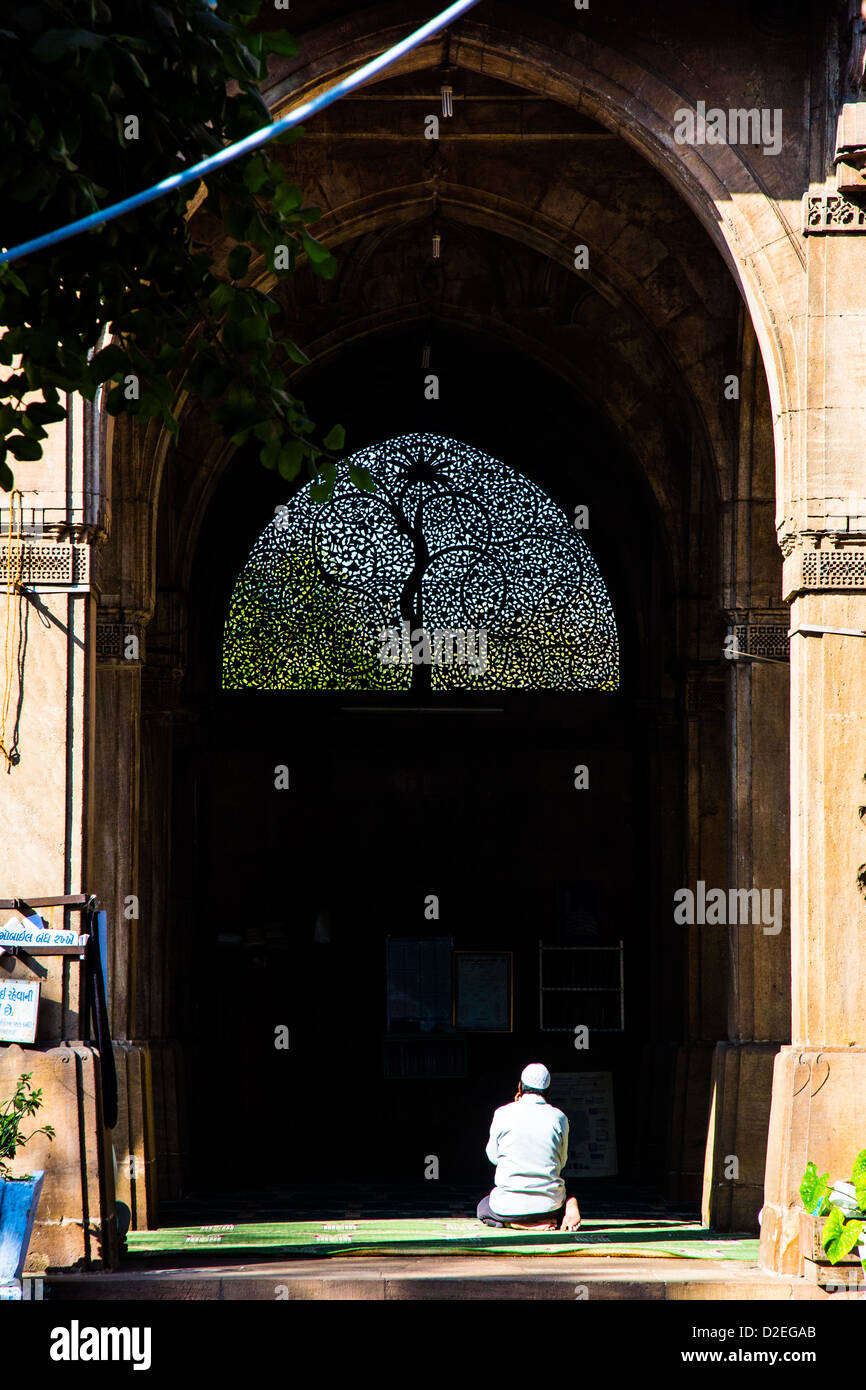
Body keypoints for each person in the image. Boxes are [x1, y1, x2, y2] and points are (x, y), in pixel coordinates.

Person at [477, 1063, 582, 1232]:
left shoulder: (502, 1113)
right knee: (561, 1198)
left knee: (483, 1208)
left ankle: (516, 1222)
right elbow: (561, 1163)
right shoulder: (559, 1117)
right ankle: (568, 1205)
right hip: (549, 1205)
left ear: (520, 1086)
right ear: (548, 1091)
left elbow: (493, 1157)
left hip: (508, 1206)